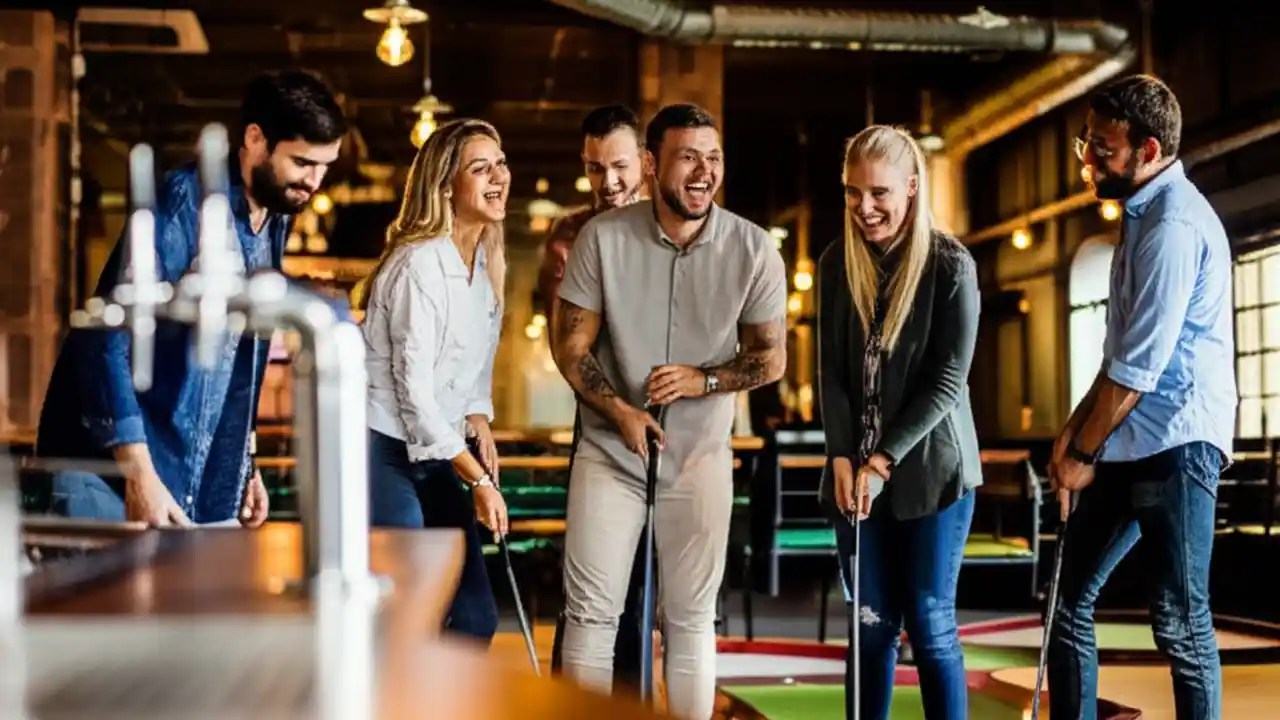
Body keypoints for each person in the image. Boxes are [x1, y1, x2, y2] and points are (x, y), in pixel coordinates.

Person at [552, 103, 787, 719]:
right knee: (591, 615)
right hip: (610, 453)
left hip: (700, 459)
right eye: (689, 157)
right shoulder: (601, 239)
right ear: (654, 165)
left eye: (713, 158)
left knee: (690, 619)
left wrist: (704, 379)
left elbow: (770, 359)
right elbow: (571, 345)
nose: (704, 172)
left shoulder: (754, 249)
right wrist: (619, 411)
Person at [36, 69, 347, 527]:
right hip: (114, 476)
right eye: (302, 163)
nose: (314, 182)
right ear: (255, 139)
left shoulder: (276, 216)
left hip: (202, 485)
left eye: (325, 166)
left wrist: (246, 463)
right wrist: (138, 473)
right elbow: (105, 337)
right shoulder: (186, 202)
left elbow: (241, 359)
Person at [1047, 74, 1234, 720]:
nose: (1089, 158)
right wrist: (1072, 435)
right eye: (1086, 143)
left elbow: (1138, 370)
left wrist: (1082, 452)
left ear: (1148, 151)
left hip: (1179, 445)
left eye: (1103, 147)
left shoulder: (1173, 227)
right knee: (1067, 600)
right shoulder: (1139, 215)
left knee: (1180, 624)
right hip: (1129, 439)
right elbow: (1115, 355)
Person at [816, 124, 982, 720]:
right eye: (852, 192)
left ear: (912, 188)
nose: (865, 207)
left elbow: (947, 380)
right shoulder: (836, 263)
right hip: (854, 477)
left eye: (880, 192)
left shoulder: (949, 264)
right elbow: (830, 371)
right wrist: (841, 456)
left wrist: (881, 461)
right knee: (869, 623)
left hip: (932, 476)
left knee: (930, 624)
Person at [353, 118, 511, 645]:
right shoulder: (418, 263)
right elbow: (415, 397)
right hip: (383, 449)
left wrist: (478, 414)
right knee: (405, 612)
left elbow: (472, 366)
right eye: (481, 167)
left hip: (434, 452)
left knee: (475, 617)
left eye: (501, 163)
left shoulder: (484, 263)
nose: (499, 175)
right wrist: (480, 481)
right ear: (446, 186)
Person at [539, 104, 648, 685]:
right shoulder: (569, 236)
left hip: (676, 433)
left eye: (620, 166)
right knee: (593, 595)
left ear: (646, 163)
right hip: (604, 430)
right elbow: (568, 350)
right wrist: (622, 410)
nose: (608, 182)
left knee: (651, 598)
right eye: (594, 168)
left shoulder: (678, 226)